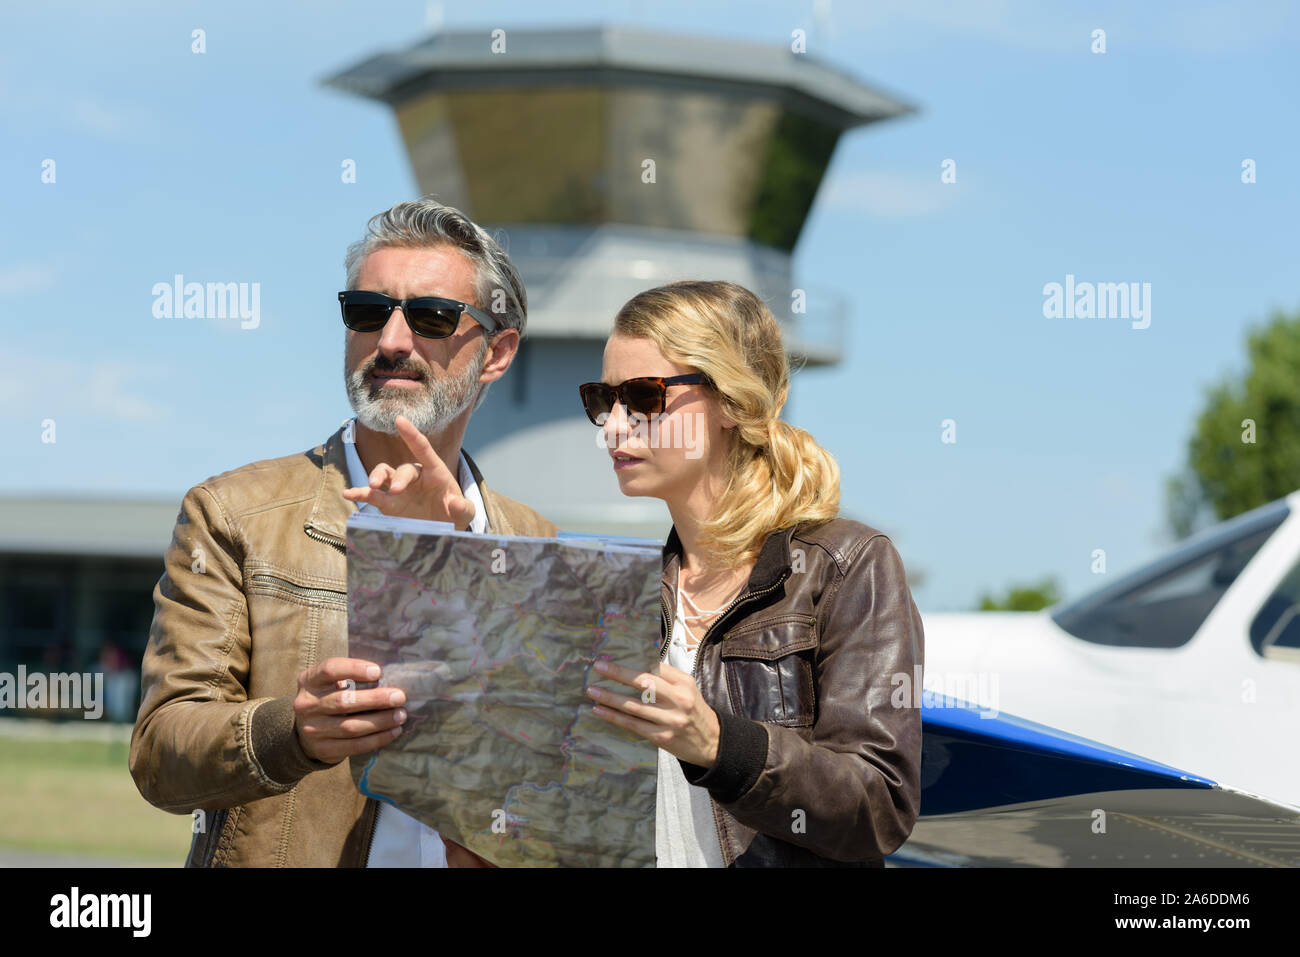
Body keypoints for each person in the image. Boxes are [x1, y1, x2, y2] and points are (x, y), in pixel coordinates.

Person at [129, 198, 556, 867]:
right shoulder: (235, 514)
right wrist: (290, 731)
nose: (389, 341)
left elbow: (571, 773)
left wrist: (462, 551)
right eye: (366, 311)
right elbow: (161, 752)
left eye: (431, 316)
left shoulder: (536, 543)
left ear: (497, 353)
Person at [577, 280, 924, 866]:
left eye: (641, 395)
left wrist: (718, 745)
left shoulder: (845, 566)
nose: (613, 426)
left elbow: (878, 807)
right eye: (601, 399)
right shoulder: (618, 589)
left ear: (733, 403)